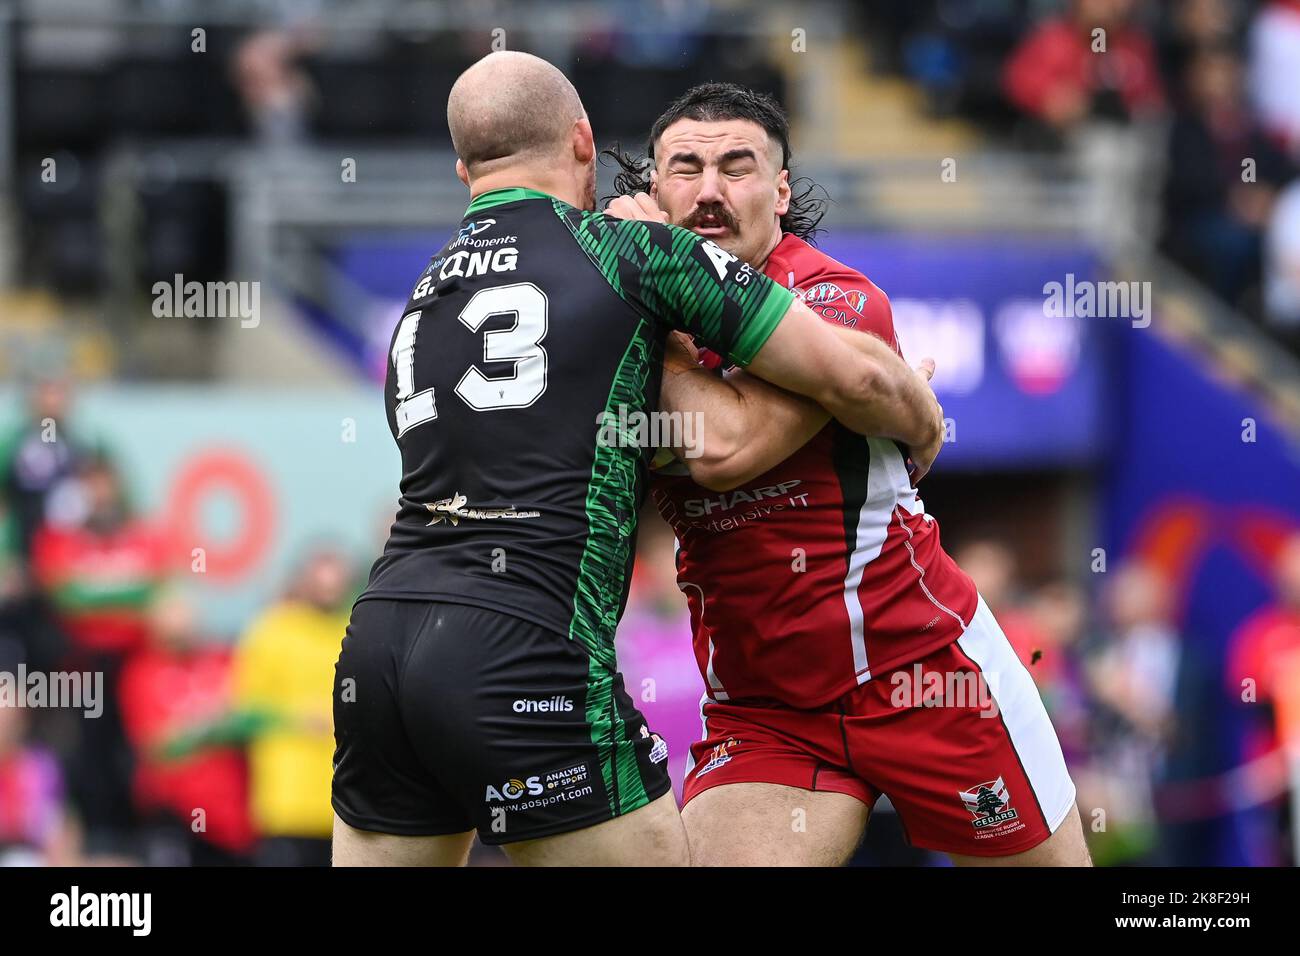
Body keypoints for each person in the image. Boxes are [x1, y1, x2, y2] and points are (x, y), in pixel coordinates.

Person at [331, 51, 945, 867]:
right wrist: (923, 416)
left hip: (378, 649)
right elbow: (839, 381)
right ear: (584, 142)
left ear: (464, 169)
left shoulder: (426, 294)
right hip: (525, 647)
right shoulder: (631, 253)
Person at [610, 82, 1089, 865]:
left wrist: (649, 301)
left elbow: (725, 451)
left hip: (927, 673)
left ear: (780, 189)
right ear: (652, 192)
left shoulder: (834, 297)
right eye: (686, 169)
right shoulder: (618, 314)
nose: (709, 191)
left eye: (738, 167)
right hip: (765, 707)